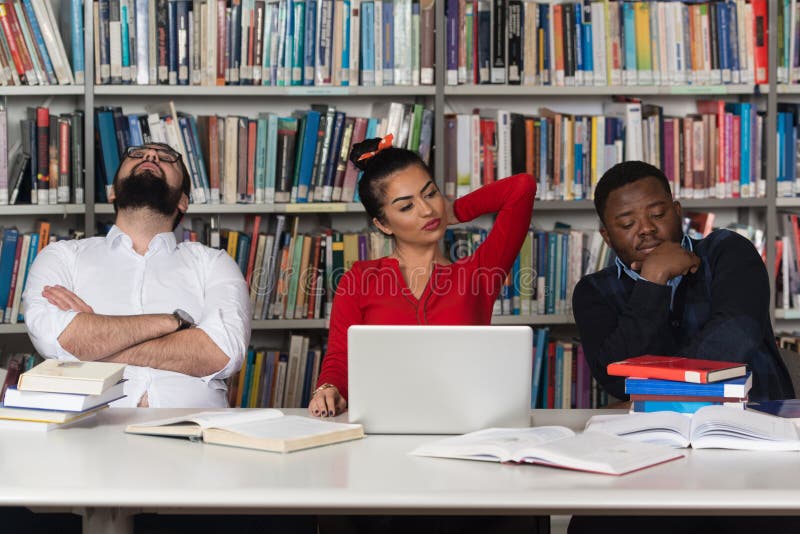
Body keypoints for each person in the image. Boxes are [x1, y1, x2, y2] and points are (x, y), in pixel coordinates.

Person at [307, 135, 537, 417]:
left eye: (430, 194)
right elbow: (341, 357)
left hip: (463, 428)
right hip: (382, 430)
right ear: (383, 224)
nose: (427, 210)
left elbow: (522, 188)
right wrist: (327, 388)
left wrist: (457, 211)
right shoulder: (359, 279)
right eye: (406, 206)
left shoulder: (479, 274)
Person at [23, 142, 251, 408]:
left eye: (166, 158)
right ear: (112, 193)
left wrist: (94, 340)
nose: (151, 156)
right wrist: (172, 322)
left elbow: (224, 354)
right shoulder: (62, 256)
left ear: (183, 201)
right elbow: (53, 339)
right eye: (138, 155)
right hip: (87, 434)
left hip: (194, 434)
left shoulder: (215, 263)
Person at [572, 160, 793, 403]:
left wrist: (654, 381)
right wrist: (652, 282)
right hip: (659, 431)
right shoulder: (593, 292)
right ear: (607, 237)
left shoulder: (727, 251)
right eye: (627, 224)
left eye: (657, 214)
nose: (646, 229)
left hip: (756, 418)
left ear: (677, 212)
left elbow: (737, 336)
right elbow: (615, 380)